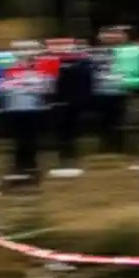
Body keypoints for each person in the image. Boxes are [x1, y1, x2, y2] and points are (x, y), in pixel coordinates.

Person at [0, 41, 53, 181]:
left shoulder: (43, 67)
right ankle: (18, 165)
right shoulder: (7, 68)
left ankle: (31, 165)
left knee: (32, 139)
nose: (26, 53)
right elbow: (3, 87)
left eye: (30, 50)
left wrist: (22, 85)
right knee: (18, 139)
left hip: (34, 108)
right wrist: (27, 85)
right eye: (21, 50)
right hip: (14, 108)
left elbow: (46, 87)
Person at [49, 38, 93, 176]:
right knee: (61, 132)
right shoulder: (52, 62)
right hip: (57, 103)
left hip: (75, 102)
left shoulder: (82, 63)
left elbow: (87, 82)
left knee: (72, 130)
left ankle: (71, 156)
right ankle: (63, 157)